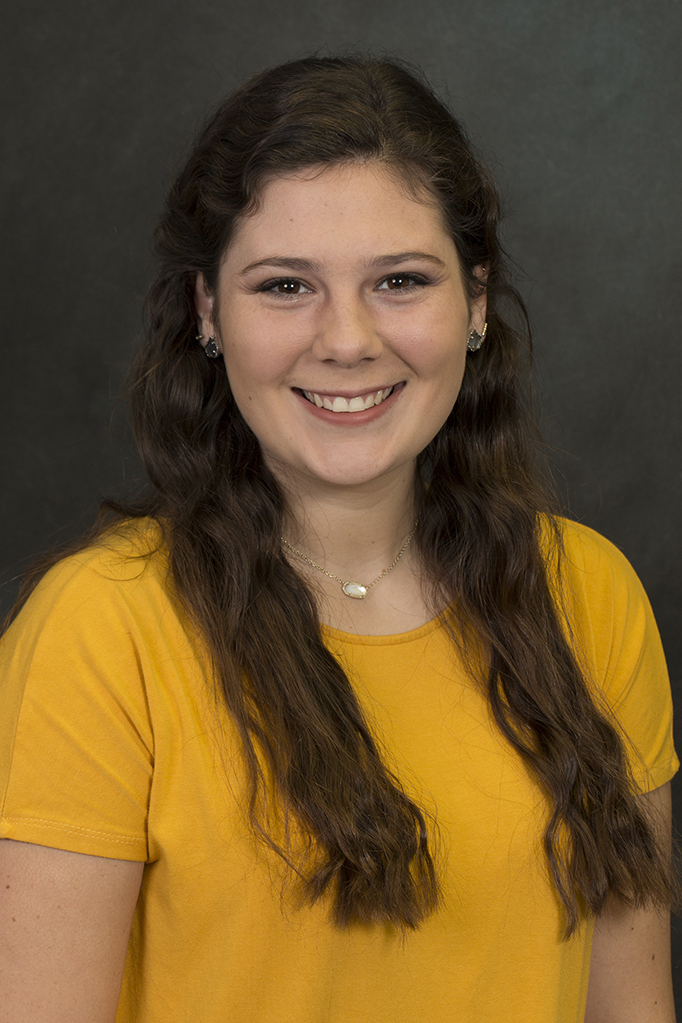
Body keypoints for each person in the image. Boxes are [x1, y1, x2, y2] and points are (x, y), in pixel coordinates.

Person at [0, 54, 678, 1023]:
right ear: (207, 312)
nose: (347, 339)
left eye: (399, 280)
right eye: (285, 287)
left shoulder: (591, 601)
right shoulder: (100, 636)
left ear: (475, 302)